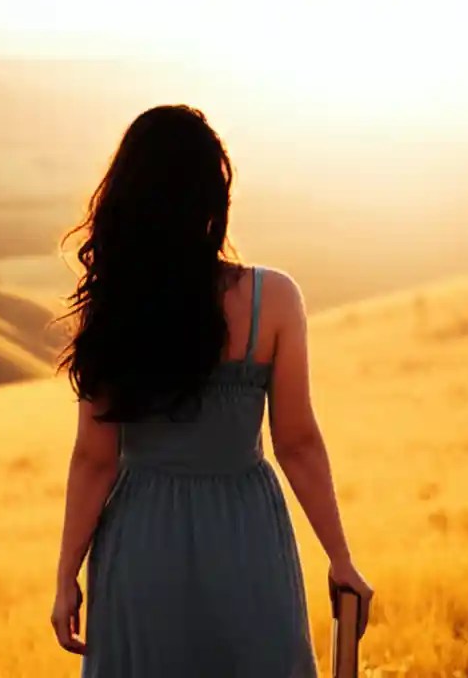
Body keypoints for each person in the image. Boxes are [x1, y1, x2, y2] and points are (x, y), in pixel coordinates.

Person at [51, 105, 373, 677]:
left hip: (141, 539)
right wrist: (340, 558)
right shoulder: (272, 299)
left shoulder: (113, 309)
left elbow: (94, 459)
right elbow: (296, 442)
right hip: (245, 535)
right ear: (212, 195)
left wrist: (65, 579)